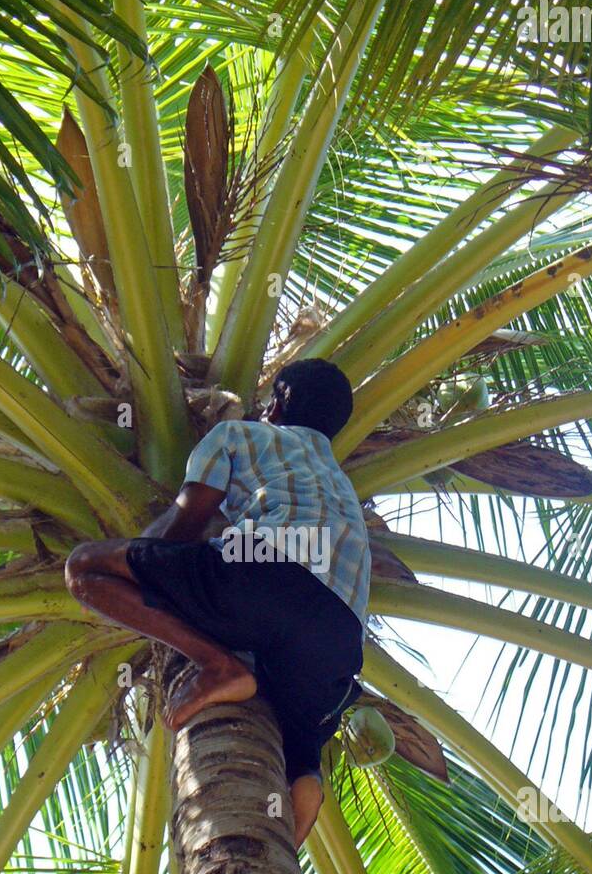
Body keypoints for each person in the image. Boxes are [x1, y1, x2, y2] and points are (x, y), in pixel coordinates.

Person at [65, 357, 370, 848]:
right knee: (299, 733)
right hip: (338, 635)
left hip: (263, 576)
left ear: (274, 405)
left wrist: (138, 559)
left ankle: (216, 665)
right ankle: (305, 774)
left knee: (83, 568)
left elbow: (181, 531)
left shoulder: (238, 436)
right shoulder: (342, 486)